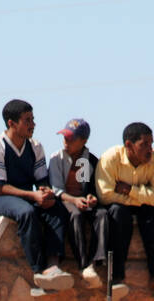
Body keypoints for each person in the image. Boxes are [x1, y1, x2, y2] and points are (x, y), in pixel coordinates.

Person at [0, 98, 74, 293]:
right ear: (11, 123)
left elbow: (41, 180)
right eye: (27, 120)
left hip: (26, 195)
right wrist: (33, 195)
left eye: (33, 119)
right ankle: (38, 271)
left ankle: (53, 265)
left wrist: (45, 192)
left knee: (56, 209)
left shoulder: (35, 146)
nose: (33, 125)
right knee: (26, 213)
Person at [96, 121, 154, 297]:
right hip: (123, 206)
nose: (150, 149)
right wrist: (143, 197)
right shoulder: (110, 158)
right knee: (117, 213)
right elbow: (105, 195)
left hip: (143, 205)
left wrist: (130, 190)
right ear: (129, 145)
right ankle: (116, 278)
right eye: (144, 144)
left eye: (151, 143)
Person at [47, 118, 110, 290]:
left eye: (71, 139)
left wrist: (91, 198)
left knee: (102, 215)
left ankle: (95, 262)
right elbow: (56, 189)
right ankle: (83, 265)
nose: (66, 141)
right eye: (65, 137)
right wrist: (74, 200)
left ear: (83, 141)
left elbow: (91, 187)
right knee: (75, 215)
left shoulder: (90, 160)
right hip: (65, 201)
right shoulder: (56, 158)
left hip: (82, 201)